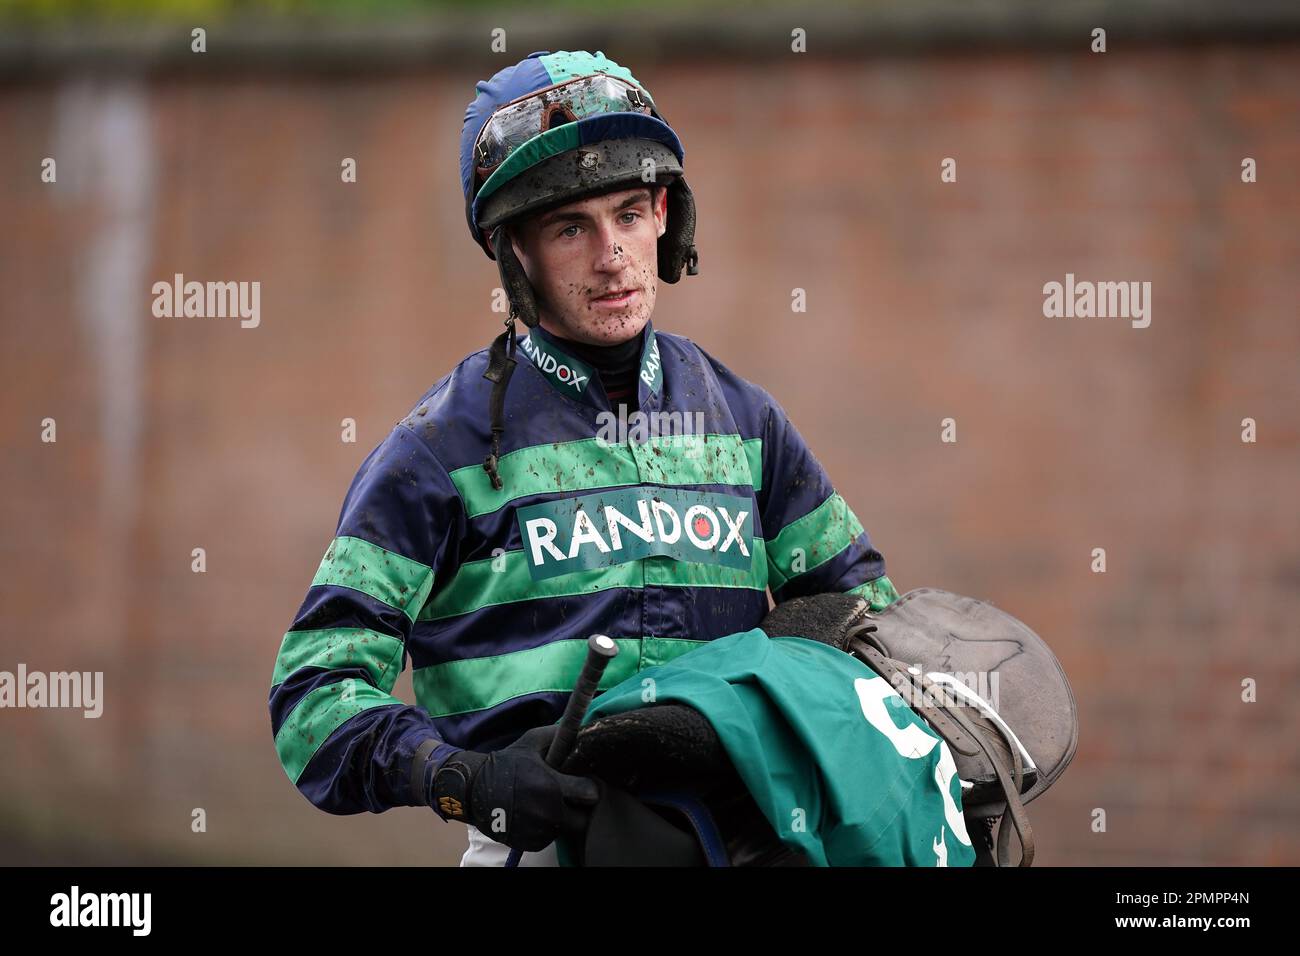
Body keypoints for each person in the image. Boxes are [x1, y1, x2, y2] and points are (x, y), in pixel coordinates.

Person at [268, 49, 900, 867]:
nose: (612, 257)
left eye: (629, 214)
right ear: (515, 254)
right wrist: (463, 777)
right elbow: (311, 698)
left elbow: (868, 618)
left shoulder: (745, 422)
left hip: (745, 842)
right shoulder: (437, 452)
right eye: (572, 227)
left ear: (666, 216)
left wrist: (792, 674)